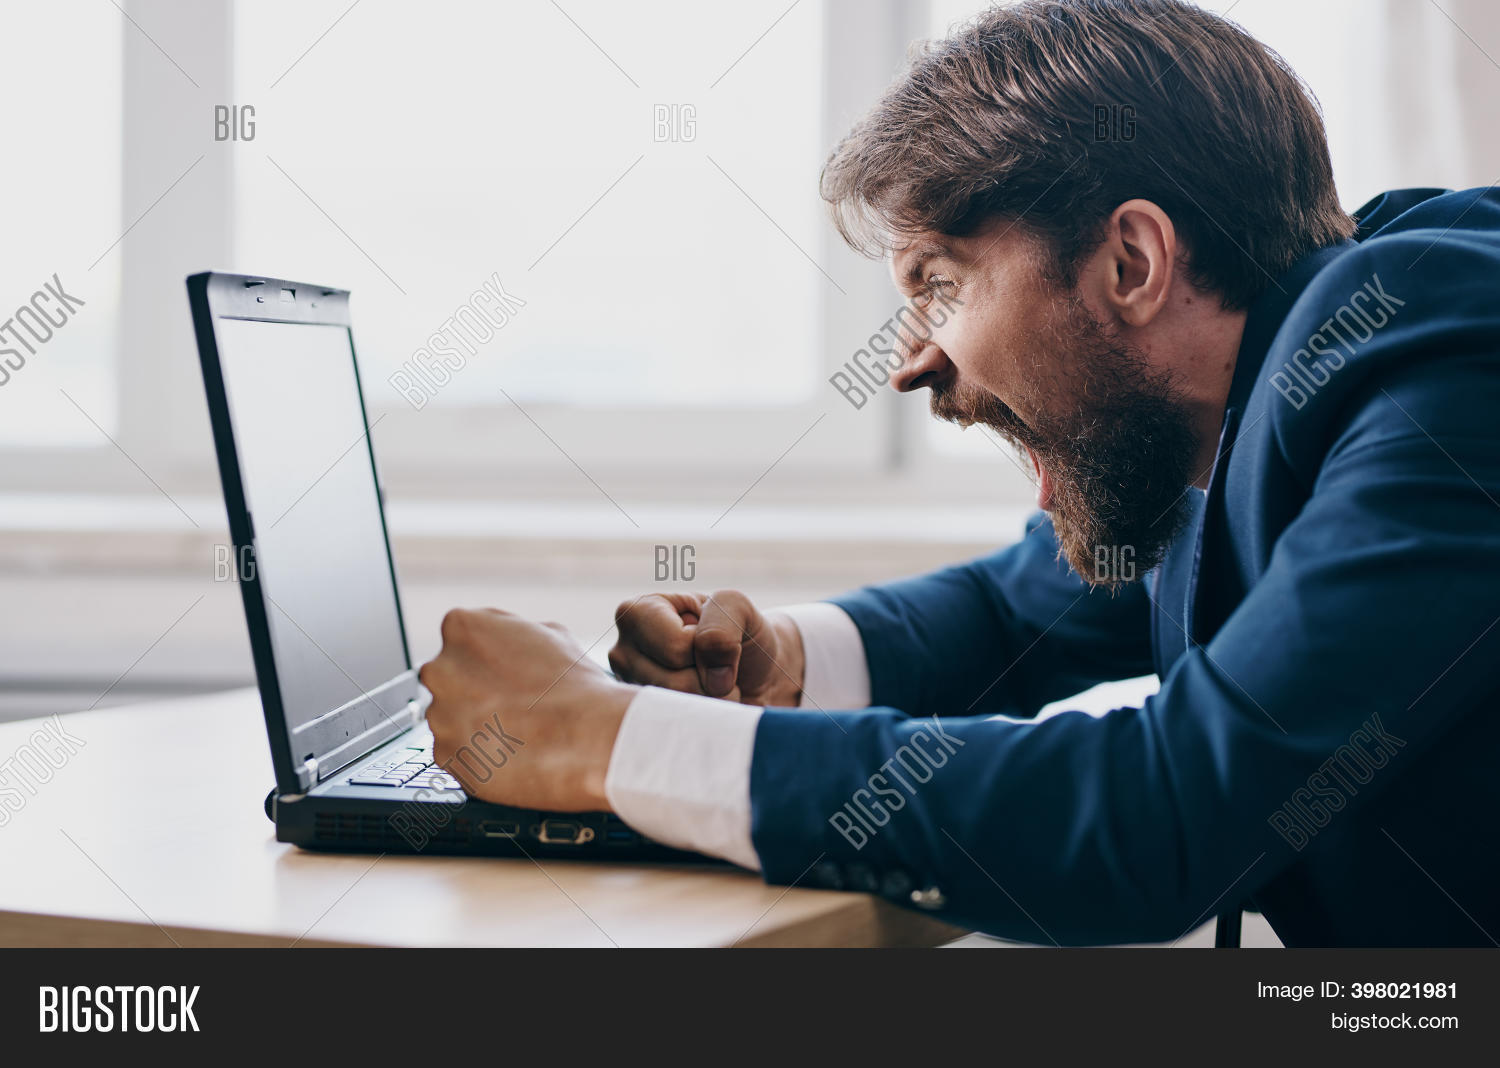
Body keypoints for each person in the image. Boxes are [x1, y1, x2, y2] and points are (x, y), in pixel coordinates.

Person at [418, 0, 1500, 946]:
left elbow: (1161, 815)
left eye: (940, 285)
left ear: (1132, 263)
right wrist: (781, 664)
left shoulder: (1443, 368)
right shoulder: (1248, 398)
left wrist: (609, 740)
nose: (912, 363)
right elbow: (1009, 609)